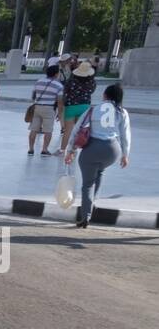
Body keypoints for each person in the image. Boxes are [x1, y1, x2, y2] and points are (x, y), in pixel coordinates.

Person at [65, 82, 131, 229]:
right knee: (100, 172)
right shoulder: (122, 112)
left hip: (92, 149)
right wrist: (125, 155)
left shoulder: (93, 109)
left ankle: (85, 216)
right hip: (112, 151)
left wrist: (70, 150)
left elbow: (77, 130)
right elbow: (125, 135)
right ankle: (91, 205)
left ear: (105, 95)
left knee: (87, 184)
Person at [59, 60, 96, 154]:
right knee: (79, 130)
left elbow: (65, 93)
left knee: (68, 130)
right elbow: (91, 92)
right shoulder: (92, 83)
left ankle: (62, 149)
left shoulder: (70, 82)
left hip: (71, 107)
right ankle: (73, 150)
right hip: (84, 107)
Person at [28, 64, 63, 156]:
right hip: (49, 108)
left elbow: (33, 95)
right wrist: (60, 113)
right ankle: (44, 149)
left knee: (34, 129)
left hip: (37, 107)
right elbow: (60, 101)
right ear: (56, 74)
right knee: (48, 130)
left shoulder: (39, 82)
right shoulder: (58, 85)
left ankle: (31, 149)